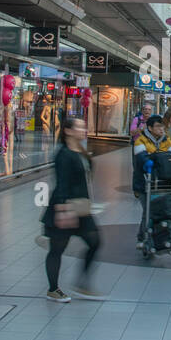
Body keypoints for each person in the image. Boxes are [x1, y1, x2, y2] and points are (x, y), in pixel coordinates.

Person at [42, 117, 101, 302]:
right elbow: (62, 182)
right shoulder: (64, 154)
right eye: (79, 127)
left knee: (95, 241)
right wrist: (61, 208)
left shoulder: (81, 151)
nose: (83, 130)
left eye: (84, 127)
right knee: (57, 248)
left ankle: (82, 284)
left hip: (81, 207)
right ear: (68, 131)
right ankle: (53, 289)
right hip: (65, 206)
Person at [132, 114, 171, 245]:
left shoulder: (166, 140)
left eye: (162, 125)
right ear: (149, 128)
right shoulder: (141, 141)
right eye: (158, 126)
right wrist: (153, 160)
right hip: (144, 183)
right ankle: (142, 237)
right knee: (148, 211)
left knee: (159, 210)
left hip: (161, 183)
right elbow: (141, 158)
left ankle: (157, 236)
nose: (161, 128)